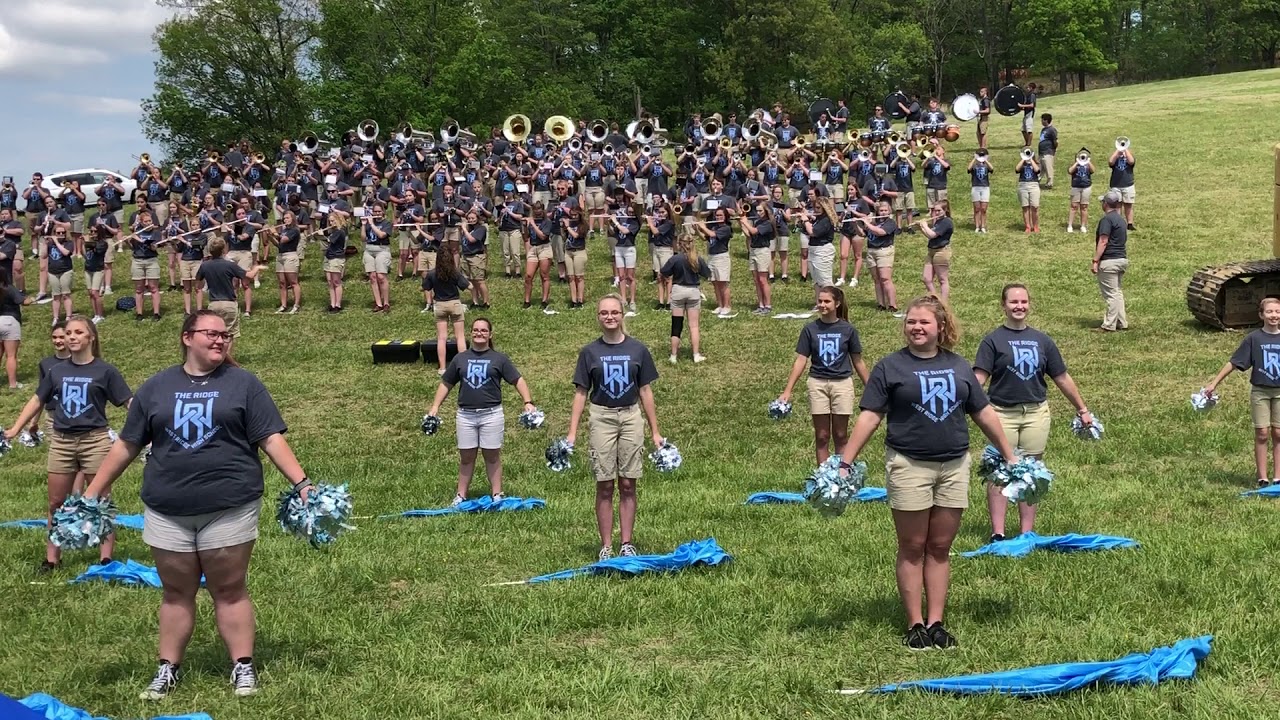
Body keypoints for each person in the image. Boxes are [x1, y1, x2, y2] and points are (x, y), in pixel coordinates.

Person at [82, 310, 313, 700]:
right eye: (212, 334)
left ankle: (242, 667)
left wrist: (302, 483)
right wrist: (93, 492)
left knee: (229, 589)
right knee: (176, 592)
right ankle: (166, 669)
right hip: (166, 508)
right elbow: (127, 444)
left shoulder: (244, 384)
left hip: (229, 505)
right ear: (187, 337)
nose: (221, 340)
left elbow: (270, 438)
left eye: (226, 336)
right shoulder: (157, 386)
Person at [838, 296, 1018, 650]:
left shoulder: (959, 366)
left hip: (954, 466)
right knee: (912, 546)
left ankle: (936, 622)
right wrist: (845, 461)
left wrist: (1009, 455)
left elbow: (982, 413)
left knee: (940, 547)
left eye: (924, 322)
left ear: (940, 327)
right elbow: (871, 416)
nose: (916, 327)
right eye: (910, 322)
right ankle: (914, 623)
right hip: (909, 465)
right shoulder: (890, 367)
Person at [4, 315, 132, 572]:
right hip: (62, 442)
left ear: (91, 337)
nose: (72, 337)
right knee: (55, 502)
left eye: (78, 333)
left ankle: (105, 558)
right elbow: (37, 400)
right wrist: (16, 428)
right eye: (69, 333)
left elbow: (129, 402)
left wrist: (150, 425)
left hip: (95, 441)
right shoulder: (56, 371)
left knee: (100, 501)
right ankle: (52, 559)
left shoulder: (105, 371)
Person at [974, 284, 1093, 540]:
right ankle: (998, 532)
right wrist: (965, 405)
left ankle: (1027, 532)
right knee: (999, 469)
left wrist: (1082, 409)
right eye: (1014, 302)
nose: (1019, 306)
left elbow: (1061, 377)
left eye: (1024, 302)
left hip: (1036, 413)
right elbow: (978, 379)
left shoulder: (1043, 340)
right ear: (1003, 305)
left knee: (1031, 470)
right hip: (1000, 413)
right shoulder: (992, 341)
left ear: (1029, 304)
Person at [565, 294, 664, 561]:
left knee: (629, 482)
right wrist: (572, 433)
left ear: (623, 315)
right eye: (604, 313)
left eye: (614, 312)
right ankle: (606, 545)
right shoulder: (589, 352)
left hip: (631, 416)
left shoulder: (638, 349)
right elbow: (580, 393)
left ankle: (627, 543)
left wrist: (655, 431)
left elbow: (645, 390)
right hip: (601, 417)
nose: (610, 317)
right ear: (598, 317)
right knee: (605, 484)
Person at [427, 317, 536, 505]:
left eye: (484, 330)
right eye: (476, 330)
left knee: (492, 456)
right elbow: (446, 383)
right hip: (466, 415)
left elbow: (518, 380)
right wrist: (435, 407)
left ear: (490, 334)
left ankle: (497, 495)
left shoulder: (499, 358)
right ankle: (461, 495)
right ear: (471, 333)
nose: (479, 333)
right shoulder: (460, 358)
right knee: (466, 457)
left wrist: (528, 401)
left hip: (491, 414)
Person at [778, 286, 869, 465]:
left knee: (841, 435)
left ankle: (841, 477)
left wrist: (871, 387)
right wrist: (788, 390)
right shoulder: (810, 329)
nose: (822, 305)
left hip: (842, 384)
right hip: (817, 384)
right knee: (822, 436)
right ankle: (823, 478)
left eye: (826, 301)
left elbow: (858, 361)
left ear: (837, 303)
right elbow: (801, 360)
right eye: (819, 301)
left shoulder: (848, 330)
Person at [1203, 297, 1280, 488]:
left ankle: (1278, 477)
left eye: (1277, 311)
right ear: (1261, 315)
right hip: (1260, 392)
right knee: (1262, 432)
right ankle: (1262, 477)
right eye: (1269, 311)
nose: (1274, 315)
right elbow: (1235, 362)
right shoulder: (1254, 339)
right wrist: (1214, 383)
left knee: (1278, 433)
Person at [660, 235, 710, 364]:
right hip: (693, 291)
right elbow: (707, 274)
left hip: (678, 290)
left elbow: (664, 272)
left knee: (676, 324)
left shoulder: (675, 259)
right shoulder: (697, 259)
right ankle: (696, 354)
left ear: (679, 244)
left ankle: (673, 355)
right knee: (694, 326)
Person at [423, 245, 470, 374]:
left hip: (439, 305)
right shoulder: (454, 272)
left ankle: (442, 367)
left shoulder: (432, 273)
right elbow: (468, 286)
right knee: (460, 337)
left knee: (441, 338)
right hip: (454, 303)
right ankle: (464, 366)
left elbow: (426, 287)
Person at [1093, 191, 1129, 332]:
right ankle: (1122, 322)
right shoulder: (1121, 220)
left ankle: (1109, 325)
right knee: (1117, 292)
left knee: (1111, 295)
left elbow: (1103, 241)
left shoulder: (1107, 220)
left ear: (1106, 204)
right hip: (1122, 259)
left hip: (1109, 261)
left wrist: (1095, 260)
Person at [692, 207, 733, 317]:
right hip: (712, 256)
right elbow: (705, 238)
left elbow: (713, 235)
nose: (718, 217)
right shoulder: (714, 227)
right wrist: (697, 229)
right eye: (717, 215)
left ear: (725, 217)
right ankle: (720, 305)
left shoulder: (726, 228)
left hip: (721, 257)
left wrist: (703, 226)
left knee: (722, 282)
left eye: (721, 215)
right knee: (715, 282)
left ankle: (727, 306)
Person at [737, 200, 775, 314]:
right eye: (757, 210)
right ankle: (760, 304)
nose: (758, 213)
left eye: (760, 211)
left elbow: (753, 231)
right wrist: (741, 223)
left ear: (766, 211)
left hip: (762, 251)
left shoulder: (767, 223)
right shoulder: (758, 222)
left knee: (763, 279)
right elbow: (749, 234)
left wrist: (746, 222)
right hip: (753, 250)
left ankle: (767, 305)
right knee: (756, 280)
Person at [863, 198, 900, 315]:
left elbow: (880, 232)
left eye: (885, 210)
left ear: (889, 211)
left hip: (884, 251)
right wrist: (856, 224)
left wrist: (867, 224)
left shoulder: (891, 223)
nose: (883, 213)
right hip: (871, 251)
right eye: (881, 210)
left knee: (885, 279)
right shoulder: (874, 222)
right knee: (877, 280)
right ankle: (881, 304)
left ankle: (892, 305)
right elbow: (862, 233)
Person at [802, 198, 839, 305]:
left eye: (818, 208)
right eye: (814, 207)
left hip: (823, 250)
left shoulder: (826, 220)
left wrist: (805, 220)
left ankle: (833, 303)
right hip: (813, 249)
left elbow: (813, 232)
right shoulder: (818, 219)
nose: (815, 210)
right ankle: (819, 303)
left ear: (825, 208)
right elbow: (806, 231)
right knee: (817, 281)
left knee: (825, 281)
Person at [917, 201, 954, 301]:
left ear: (945, 210)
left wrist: (925, 225)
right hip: (931, 251)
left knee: (942, 279)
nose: (936, 213)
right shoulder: (938, 221)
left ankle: (944, 303)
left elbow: (933, 235)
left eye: (938, 210)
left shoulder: (946, 222)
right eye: (934, 210)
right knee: (927, 278)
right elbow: (930, 236)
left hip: (941, 252)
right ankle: (936, 299)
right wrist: (921, 228)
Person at [360, 204, 393, 312]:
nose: (377, 214)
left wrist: (372, 224)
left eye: (379, 212)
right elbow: (363, 238)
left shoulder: (387, 223)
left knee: (381, 277)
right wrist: (364, 225)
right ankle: (378, 303)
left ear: (383, 212)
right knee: (373, 277)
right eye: (375, 212)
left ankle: (386, 302)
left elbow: (381, 235)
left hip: (382, 249)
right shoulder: (369, 224)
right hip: (369, 249)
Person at [523, 203, 554, 310]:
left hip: (544, 248)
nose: (537, 211)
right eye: (535, 209)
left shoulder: (547, 222)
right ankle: (527, 300)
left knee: (544, 275)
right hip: (533, 248)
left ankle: (544, 300)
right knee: (528, 276)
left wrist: (533, 224)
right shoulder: (531, 221)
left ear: (542, 210)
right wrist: (526, 227)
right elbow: (526, 237)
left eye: (539, 209)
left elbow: (542, 236)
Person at [271, 210, 303, 314]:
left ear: (293, 219)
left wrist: (275, 233)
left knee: (293, 282)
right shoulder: (284, 230)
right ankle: (283, 305)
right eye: (284, 218)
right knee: (282, 283)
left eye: (287, 218)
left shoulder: (294, 230)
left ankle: (296, 305)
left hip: (290, 256)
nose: (285, 220)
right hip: (280, 256)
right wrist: (270, 235)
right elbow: (279, 244)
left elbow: (284, 240)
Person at [323, 210, 351, 313]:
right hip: (329, 257)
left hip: (337, 258)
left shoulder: (340, 231)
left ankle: (338, 305)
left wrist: (322, 235)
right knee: (330, 282)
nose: (331, 223)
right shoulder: (333, 231)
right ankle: (332, 303)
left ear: (338, 220)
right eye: (330, 221)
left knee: (336, 282)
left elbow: (330, 241)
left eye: (333, 221)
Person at [1108, 141, 1137, 230]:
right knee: (1117, 205)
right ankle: (1117, 223)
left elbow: (1131, 161)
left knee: (1128, 205)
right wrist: (1117, 151)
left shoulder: (1129, 156)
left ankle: (1129, 224)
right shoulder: (1116, 156)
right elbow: (1110, 162)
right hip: (1116, 185)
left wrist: (1125, 150)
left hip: (1128, 184)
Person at [0, 269, 21, 389]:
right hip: (9, 321)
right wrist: (32, 299)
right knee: (11, 355)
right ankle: (13, 384)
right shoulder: (9, 288)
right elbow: (23, 301)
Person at [1067, 149, 1095, 233]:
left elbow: (1093, 170)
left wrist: (1088, 162)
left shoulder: (1087, 165)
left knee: (1084, 207)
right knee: (1074, 206)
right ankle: (1070, 225)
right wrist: (1077, 162)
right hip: (1076, 187)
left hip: (1086, 187)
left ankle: (1083, 226)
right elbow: (1070, 171)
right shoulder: (1075, 164)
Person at [1015, 150, 1041, 234]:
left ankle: (1035, 226)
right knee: (1025, 207)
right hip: (1023, 185)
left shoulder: (1035, 163)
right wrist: (1023, 159)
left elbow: (1037, 170)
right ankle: (1028, 226)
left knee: (1035, 207)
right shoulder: (1022, 164)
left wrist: (1031, 159)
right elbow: (1016, 169)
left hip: (1033, 185)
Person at [967, 151, 993, 233]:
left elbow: (992, 169)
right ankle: (977, 226)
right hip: (976, 187)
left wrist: (985, 160)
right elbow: (968, 169)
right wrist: (974, 158)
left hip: (985, 187)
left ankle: (983, 226)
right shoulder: (974, 165)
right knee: (977, 208)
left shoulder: (986, 165)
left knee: (984, 209)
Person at [1038, 114, 1058, 189]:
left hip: (1048, 151)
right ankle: (1037, 180)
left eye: (1042, 119)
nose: (1041, 121)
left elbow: (1055, 141)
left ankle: (1050, 182)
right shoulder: (1043, 129)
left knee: (1048, 167)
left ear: (1046, 120)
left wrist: (1053, 149)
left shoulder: (1052, 130)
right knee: (1040, 168)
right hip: (1042, 152)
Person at [1018, 82, 1038, 147]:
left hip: (1030, 114)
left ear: (1031, 88)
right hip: (1026, 114)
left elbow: (1032, 105)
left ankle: (1029, 144)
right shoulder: (1027, 95)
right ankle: (1027, 143)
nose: (1027, 88)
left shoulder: (1032, 95)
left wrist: (1022, 105)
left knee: (1029, 130)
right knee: (1023, 130)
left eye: (1028, 87)